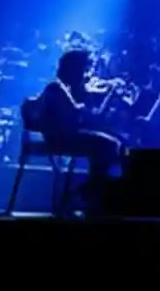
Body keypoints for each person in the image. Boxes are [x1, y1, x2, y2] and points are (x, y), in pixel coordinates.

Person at [37, 49, 124, 206]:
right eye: (83, 69)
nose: (85, 74)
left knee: (109, 144)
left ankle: (94, 190)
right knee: (110, 145)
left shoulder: (64, 87)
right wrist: (96, 102)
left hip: (66, 136)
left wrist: (105, 92)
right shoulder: (56, 88)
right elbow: (77, 114)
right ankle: (90, 191)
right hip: (61, 139)